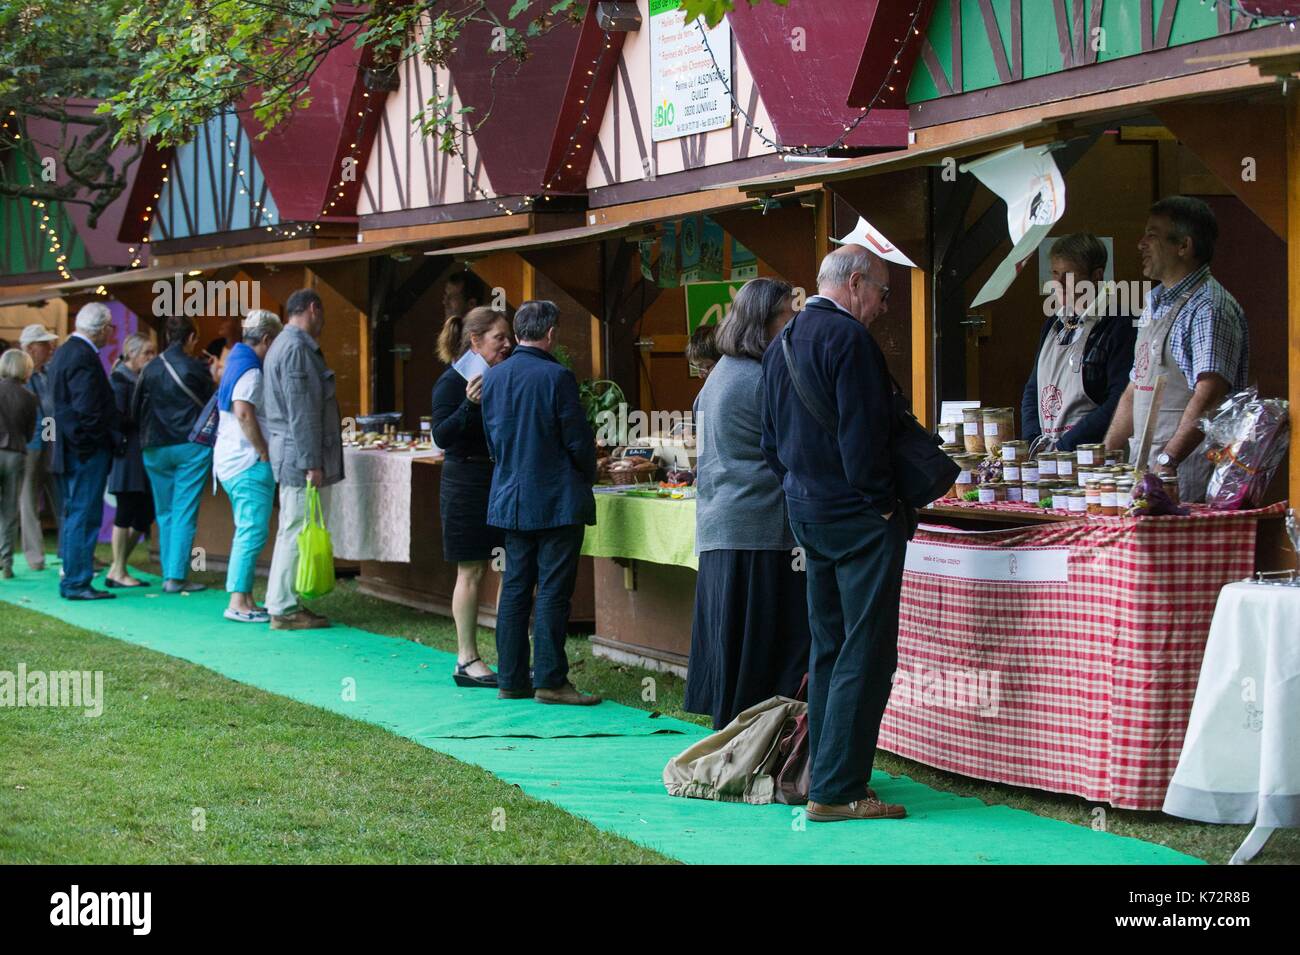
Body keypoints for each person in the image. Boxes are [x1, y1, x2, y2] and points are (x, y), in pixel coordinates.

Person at [761, 244, 908, 822]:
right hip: (856, 515)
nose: (884, 306)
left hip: (807, 510)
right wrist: (881, 504)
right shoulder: (850, 340)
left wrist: (801, 488)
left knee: (828, 646)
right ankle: (840, 789)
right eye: (883, 293)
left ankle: (822, 775)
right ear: (854, 283)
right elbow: (863, 438)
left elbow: (770, 441)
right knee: (864, 650)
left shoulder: (784, 341)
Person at [686, 278, 809, 729]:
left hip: (727, 530)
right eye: (786, 314)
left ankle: (737, 748)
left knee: (735, 657)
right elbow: (796, 455)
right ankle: (753, 752)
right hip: (759, 532)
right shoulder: (761, 376)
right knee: (762, 659)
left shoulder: (721, 374)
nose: (794, 322)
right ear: (763, 321)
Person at [481, 300, 601, 706]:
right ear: (550, 334)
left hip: (512, 495)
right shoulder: (557, 377)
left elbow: (492, 440)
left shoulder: (494, 378)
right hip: (555, 497)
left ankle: (511, 679)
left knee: (515, 588)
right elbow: (577, 441)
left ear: (517, 333)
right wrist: (591, 470)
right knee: (552, 590)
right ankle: (550, 680)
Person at [1104, 196, 1248, 503]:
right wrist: (1106, 457)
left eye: (1152, 235)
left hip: (1185, 473)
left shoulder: (1209, 306)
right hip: (1147, 471)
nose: (1140, 243)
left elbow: (1210, 394)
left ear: (1183, 246)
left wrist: (1167, 462)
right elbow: (1135, 387)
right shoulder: (1154, 302)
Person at [432, 305, 513, 686]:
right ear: (476, 341)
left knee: (505, 567)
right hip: (464, 481)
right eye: (500, 338)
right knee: (471, 570)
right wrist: (469, 405)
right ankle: (466, 659)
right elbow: (442, 437)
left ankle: (510, 656)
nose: (508, 344)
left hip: (498, 480)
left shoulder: (501, 376)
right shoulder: (451, 382)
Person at [263, 289, 344, 631]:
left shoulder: (283, 344)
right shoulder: (297, 348)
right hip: (300, 455)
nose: (323, 322)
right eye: (322, 314)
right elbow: (302, 413)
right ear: (313, 309)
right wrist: (312, 462)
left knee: (292, 528)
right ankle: (282, 607)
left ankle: (286, 602)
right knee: (295, 529)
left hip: (291, 451)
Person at [1021, 233, 1136, 451]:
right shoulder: (1053, 324)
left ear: (1097, 276)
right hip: (1049, 456)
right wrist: (1033, 440)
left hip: (1094, 457)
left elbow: (1119, 401)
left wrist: (1065, 446)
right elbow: (1032, 390)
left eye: (1069, 275)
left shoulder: (1119, 324)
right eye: (1055, 273)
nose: (1059, 283)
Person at [135, 315, 216, 594]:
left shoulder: (149, 368)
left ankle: (170, 573)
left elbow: (135, 408)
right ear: (191, 338)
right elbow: (212, 405)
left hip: (153, 446)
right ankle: (175, 576)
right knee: (184, 511)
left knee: (165, 511)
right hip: (189, 445)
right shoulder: (196, 368)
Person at [47, 302, 120, 600]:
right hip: (84, 451)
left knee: (75, 512)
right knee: (83, 514)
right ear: (102, 328)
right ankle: (77, 580)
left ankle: (75, 577)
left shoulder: (67, 351)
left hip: (72, 448)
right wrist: (93, 442)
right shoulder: (81, 355)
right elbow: (87, 407)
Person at [214, 310, 283, 623]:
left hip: (231, 460)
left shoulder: (235, 360)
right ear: (266, 340)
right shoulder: (252, 371)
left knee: (249, 529)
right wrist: (263, 450)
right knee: (252, 531)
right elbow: (244, 412)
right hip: (246, 461)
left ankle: (246, 597)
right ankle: (238, 601)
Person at [106, 332, 157, 588]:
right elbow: (116, 418)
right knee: (125, 511)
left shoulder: (142, 379)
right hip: (127, 454)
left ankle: (119, 566)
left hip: (144, 452)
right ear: (133, 354)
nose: (151, 358)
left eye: (153, 352)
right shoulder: (119, 379)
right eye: (147, 353)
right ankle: (118, 570)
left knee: (146, 512)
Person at [19, 323, 61, 571]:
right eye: (45, 344)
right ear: (32, 349)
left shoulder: (46, 374)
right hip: (29, 444)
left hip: (50, 440)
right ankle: (35, 557)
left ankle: (66, 549)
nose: (51, 347)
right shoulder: (18, 377)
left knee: (59, 495)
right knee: (28, 501)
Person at [0, 349, 39, 579]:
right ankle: (6, 562)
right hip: (16, 453)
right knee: (10, 509)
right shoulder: (29, 397)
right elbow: (31, 432)